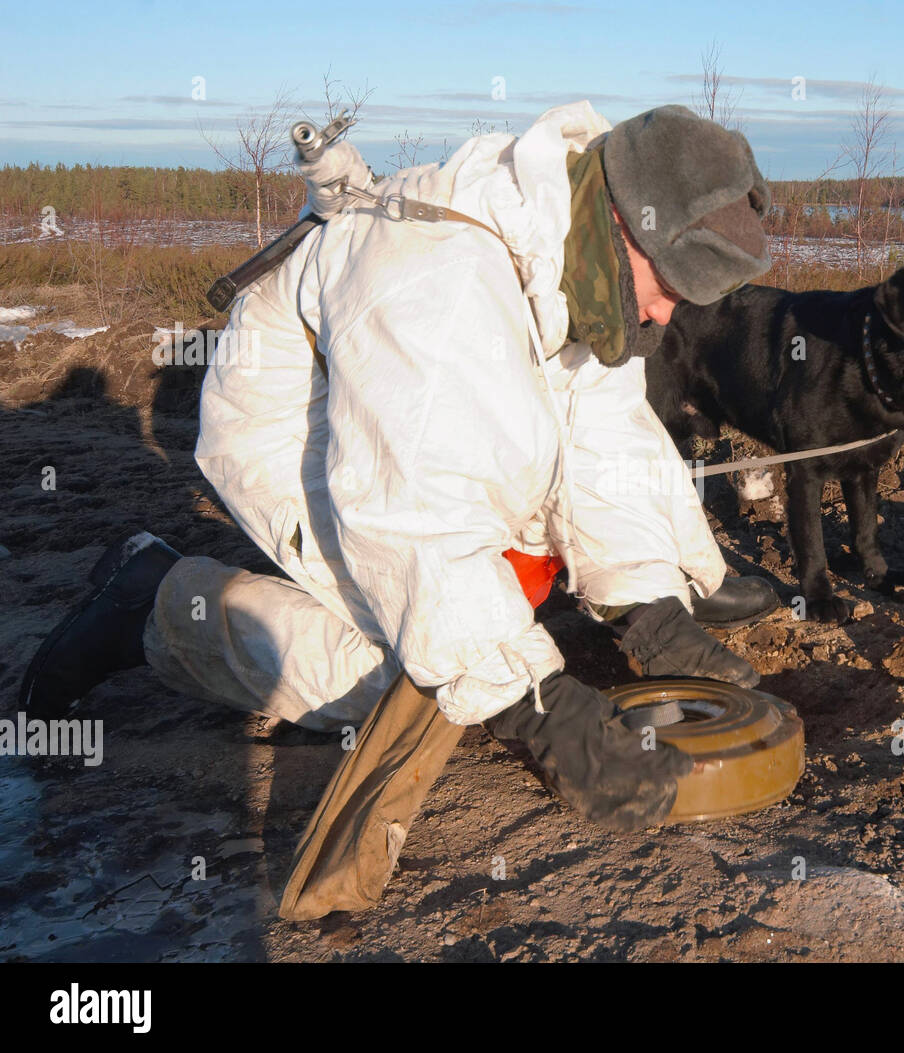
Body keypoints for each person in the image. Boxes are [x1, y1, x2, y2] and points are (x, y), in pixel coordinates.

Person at [20, 102, 780, 830]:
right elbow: (416, 514)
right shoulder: (438, 288)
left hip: (415, 421)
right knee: (407, 681)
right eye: (671, 289)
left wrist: (648, 600)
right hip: (302, 429)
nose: (669, 315)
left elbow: (600, 427)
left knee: (489, 616)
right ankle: (152, 601)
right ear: (626, 226)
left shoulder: (576, 247)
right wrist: (538, 710)